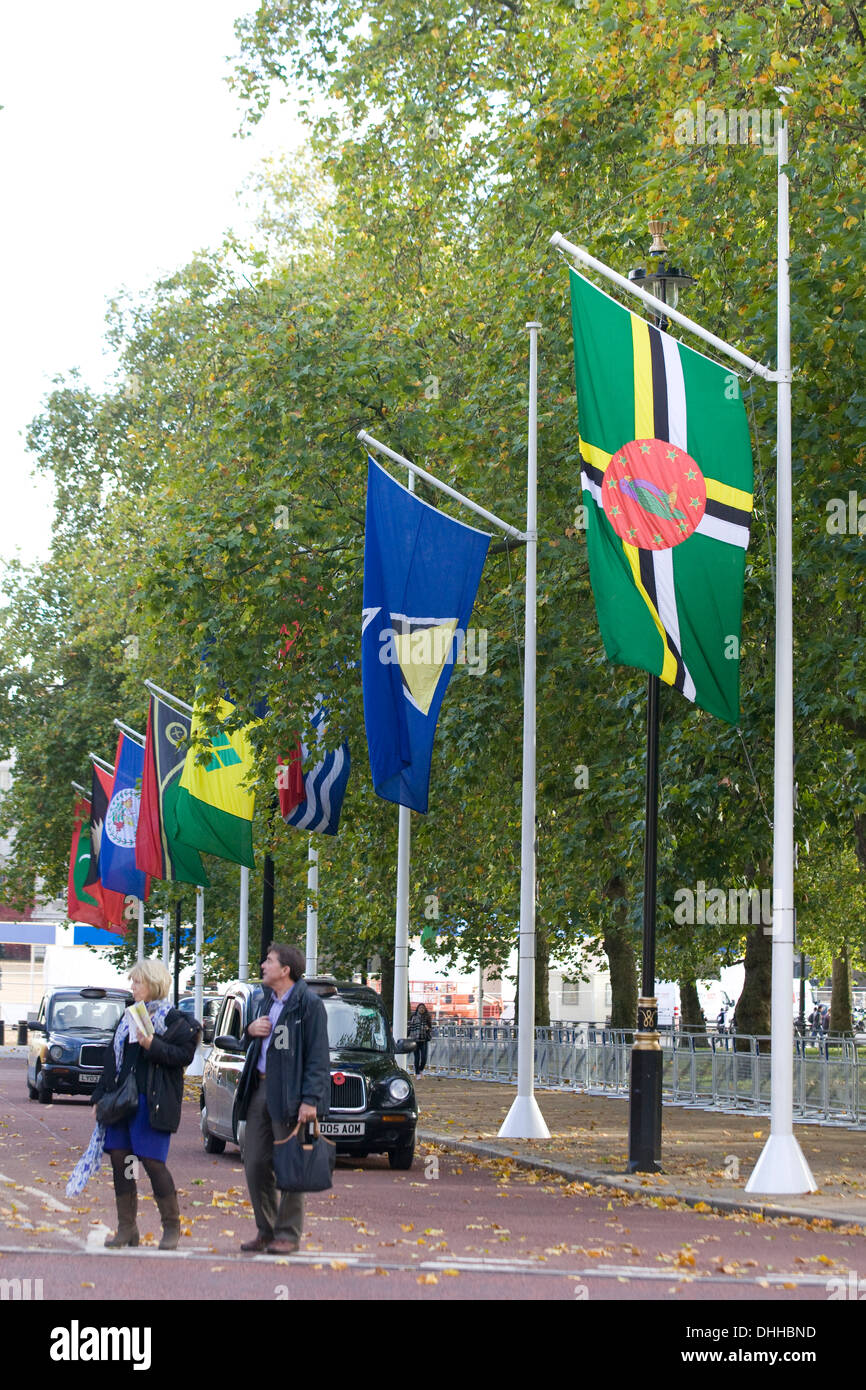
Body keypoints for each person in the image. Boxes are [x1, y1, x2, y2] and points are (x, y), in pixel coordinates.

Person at [67, 959, 200, 1250]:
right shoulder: (129, 1017)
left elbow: (183, 1056)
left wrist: (153, 1045)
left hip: (150, 1103)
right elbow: (112, 1061)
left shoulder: (177, 1020)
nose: (132, 987)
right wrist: (99, 1096)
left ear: (152, 984)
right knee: (121, 1160)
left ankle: (171, 1227)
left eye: (137, 982)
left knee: (152, 1163)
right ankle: (127, 1228)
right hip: (121, 1102)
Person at [234, 943, 330, 1256]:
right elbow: (249, 1041)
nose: (263, 965)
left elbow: (318, 1056)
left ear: (285, 970)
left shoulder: (308, 1005)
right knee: (256, 1163)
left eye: (269, 960)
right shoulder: (264, 1000)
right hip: (260, 1089)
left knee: (291, 1163)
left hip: (291, 1093)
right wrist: (250, 1030)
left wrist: (311, 1100)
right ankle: (267, 1230)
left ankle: (288, 1234)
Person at [407, 1003, 432, 1076]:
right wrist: (407, 1035)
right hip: (415, 1039)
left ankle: (421, 1069)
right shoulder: (413, 1017)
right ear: (417, 1009)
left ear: (425, 1009)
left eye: (423, 1008)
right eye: (420, 1008)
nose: (422, 1009)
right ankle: (417, 1073)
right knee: (417, 1057)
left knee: (424, 1057)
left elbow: (430, 1028)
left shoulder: (427, 1017)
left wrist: (428, 1029)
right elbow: (410, 1027)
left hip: (424, 1040)